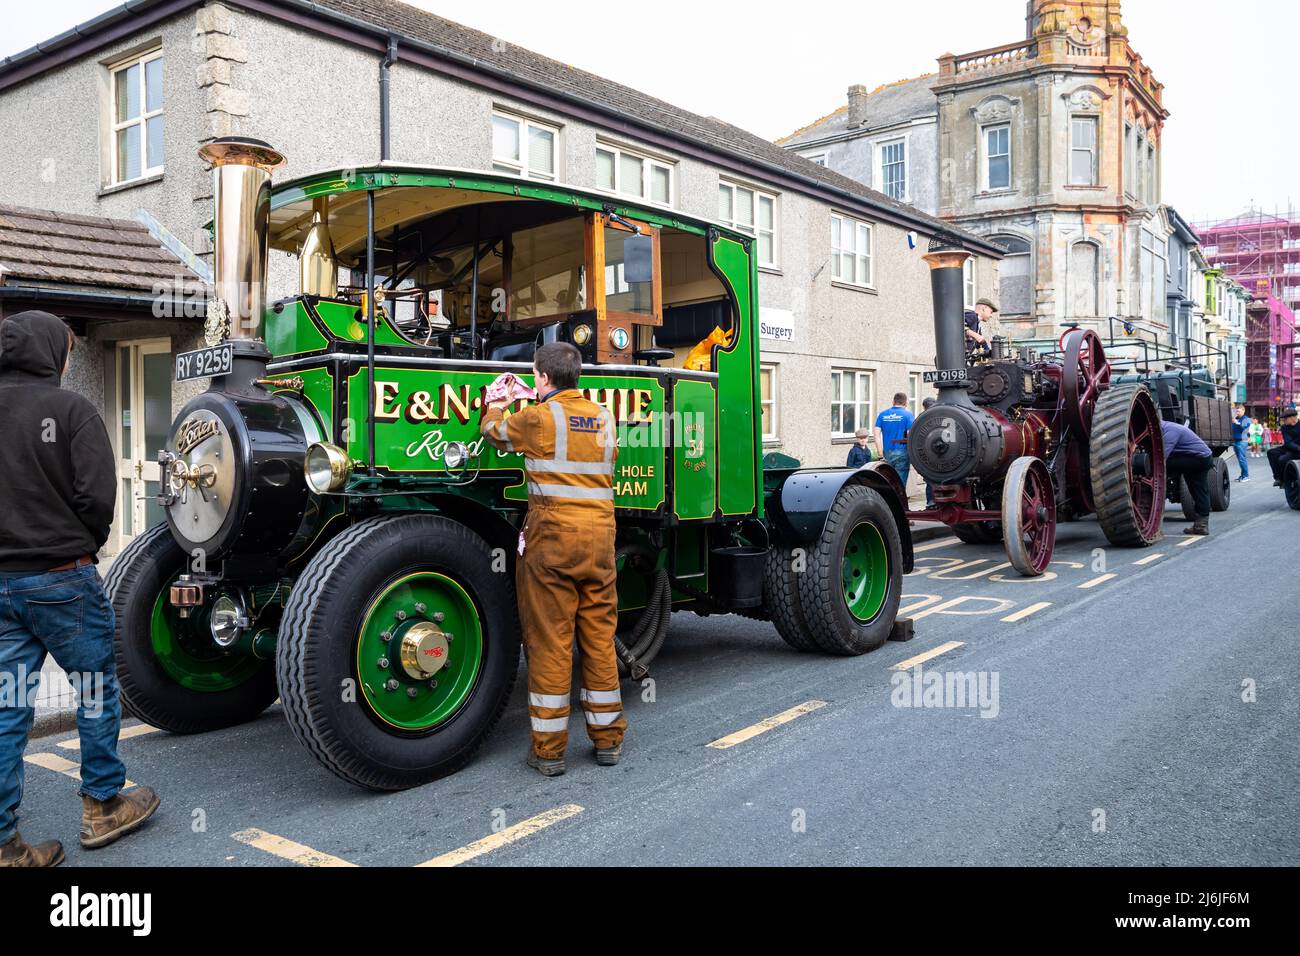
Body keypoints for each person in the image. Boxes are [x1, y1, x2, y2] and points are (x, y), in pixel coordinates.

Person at [0, 310, 160, 868]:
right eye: (66, 352)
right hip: (62, 578)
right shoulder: (71, 409)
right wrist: (81, 545)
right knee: (94, 688)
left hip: (2, 584)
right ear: (52, 355)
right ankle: (102, 806)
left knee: (9, 704)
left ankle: (4, 843)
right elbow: (98, 498)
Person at [479, 342, 625, 777]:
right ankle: (608, 741)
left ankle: (548, 751)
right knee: (599, 641)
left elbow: (496, 434)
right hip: (600, 544)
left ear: (542, 378)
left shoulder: (538, 418)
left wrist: (496, 403)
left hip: (553, 546)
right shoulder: (603, 418)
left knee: (550, 645)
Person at [1161, 418, 1214, 536]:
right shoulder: (1168, 428)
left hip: (1199, 459)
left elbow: (1162, 457)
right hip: (1201, 458)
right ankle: (1201, 526)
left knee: (1161, 465)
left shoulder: (1170, 431)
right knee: (1199, 491)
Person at [874, 393, 915, 487]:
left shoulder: (882, 415)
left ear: (893, 402)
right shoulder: (908, 415)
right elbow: (910, 435)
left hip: (887, 453)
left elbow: (876, 435)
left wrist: (880, 454)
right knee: (899, 484)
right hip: (903, 453)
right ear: (906, 403)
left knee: (888, 482)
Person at [1267, 406, 1300, 488]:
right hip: (1291, 448)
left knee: (1282, 459)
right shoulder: (1284, 427)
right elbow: (1288, 442)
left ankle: (1287, 478)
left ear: (1293, 417)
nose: (1283, 420)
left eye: (1285, 418)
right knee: (1271, 452)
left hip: (1297, 451)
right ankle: (1279, 478)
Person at [964, 298, 997, 363]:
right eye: (991, 312)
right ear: (983, 308)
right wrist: (975, 335)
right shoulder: (972, 316)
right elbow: (957, 325)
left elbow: (981, 343)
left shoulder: (977, 325)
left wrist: (992, 355)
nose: (991, 316)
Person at [920, 396, 937, 507]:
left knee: (930, 481)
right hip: (939, 454)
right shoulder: (941, 415)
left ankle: (930, 502)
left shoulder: (921, 418)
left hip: (926, 455)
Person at [1231, 404, 1252, 481]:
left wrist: (1237, 423)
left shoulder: (1246, 419)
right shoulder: (1235, 418)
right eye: (1236, 411)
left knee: (1242, 459)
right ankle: (1243, 475)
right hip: (1235, 441)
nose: (1237, 413)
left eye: (1239, 411)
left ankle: (1246, 476)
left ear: (1243, 410)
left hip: (1242, 441)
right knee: (1240, 459)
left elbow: (1244, 430)